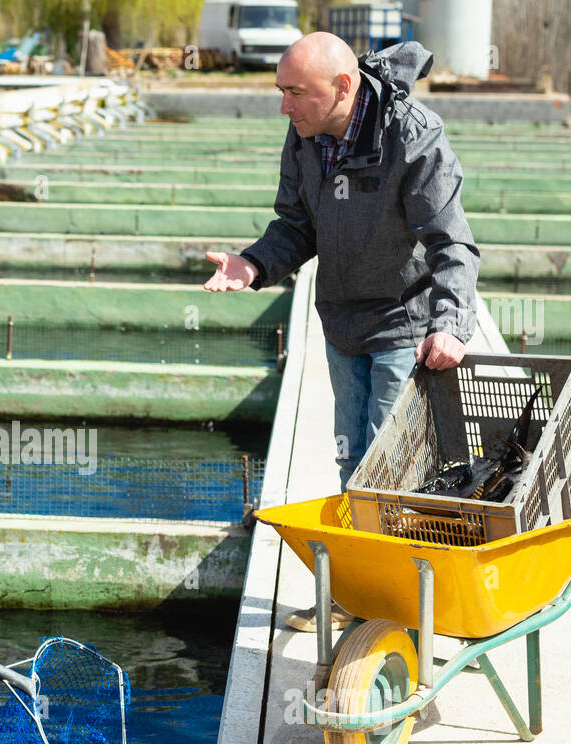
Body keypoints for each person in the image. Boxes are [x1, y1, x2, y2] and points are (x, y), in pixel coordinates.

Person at [203, 33, 480, 631]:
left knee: (389, 465)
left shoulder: (411, 134)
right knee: (352, 460)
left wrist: (452, 323)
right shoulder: (305, 136)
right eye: (280, 92)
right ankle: (357, 591)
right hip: (341, 323)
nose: (284, 106)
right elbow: (295, 224)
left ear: (343, 87)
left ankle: (396, 602)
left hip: (403, 325)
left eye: (294, 92)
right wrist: (253, 264)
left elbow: (451, 242)